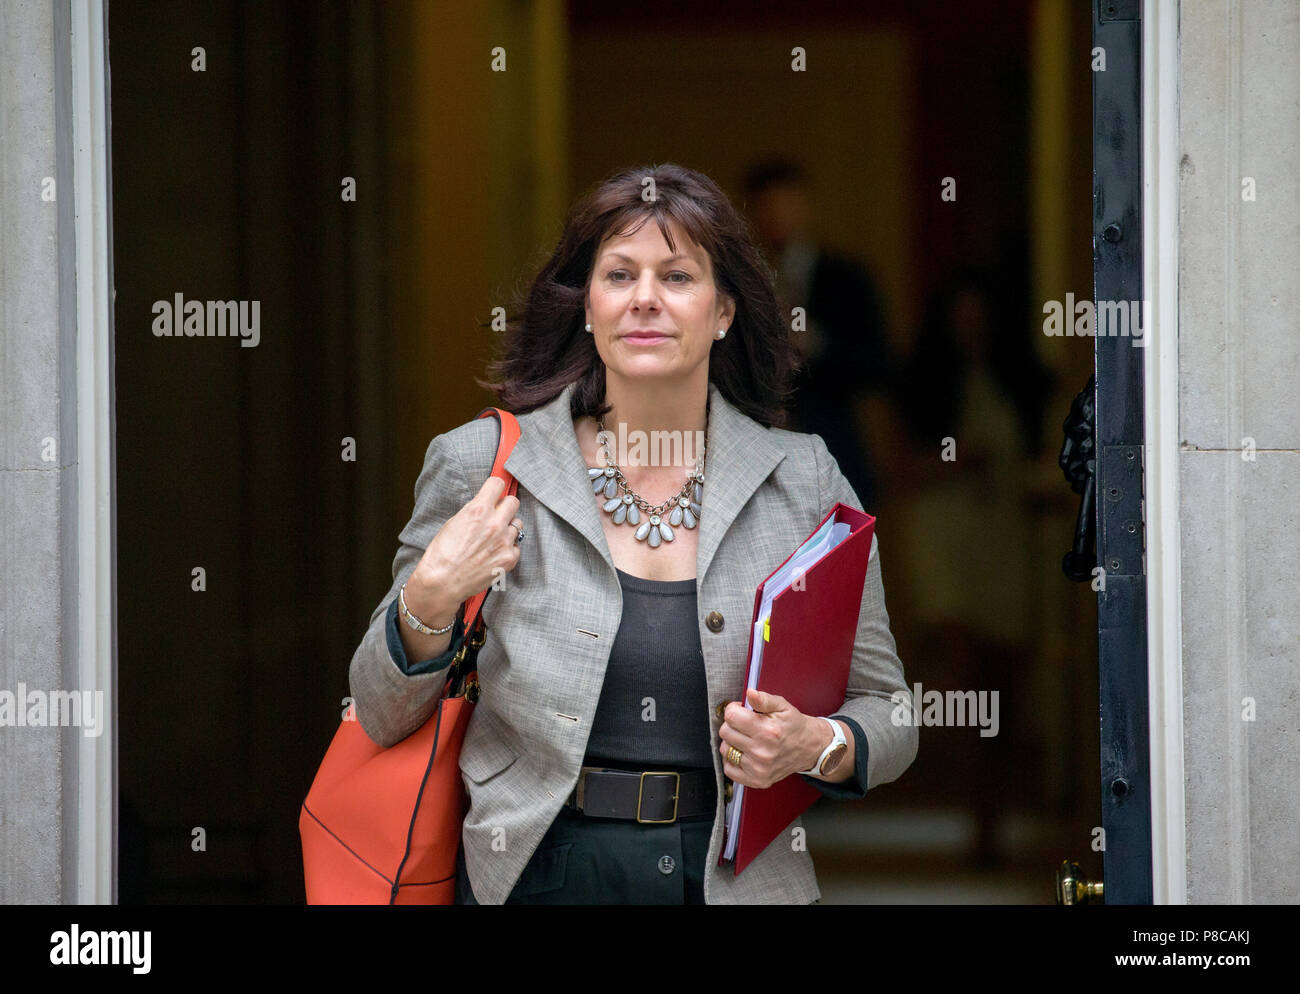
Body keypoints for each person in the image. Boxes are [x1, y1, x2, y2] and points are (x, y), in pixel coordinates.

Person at [348, 163, 917, 905]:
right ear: (587, 306)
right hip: (538, 876)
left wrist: (820, 745)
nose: (645, 299)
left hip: (735, 881)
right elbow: (377, 709)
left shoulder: (802, 479)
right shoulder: (485, 468)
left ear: (724, 311)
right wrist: (427, 598)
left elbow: (891, 709)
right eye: (619, 275)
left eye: (678, 277)